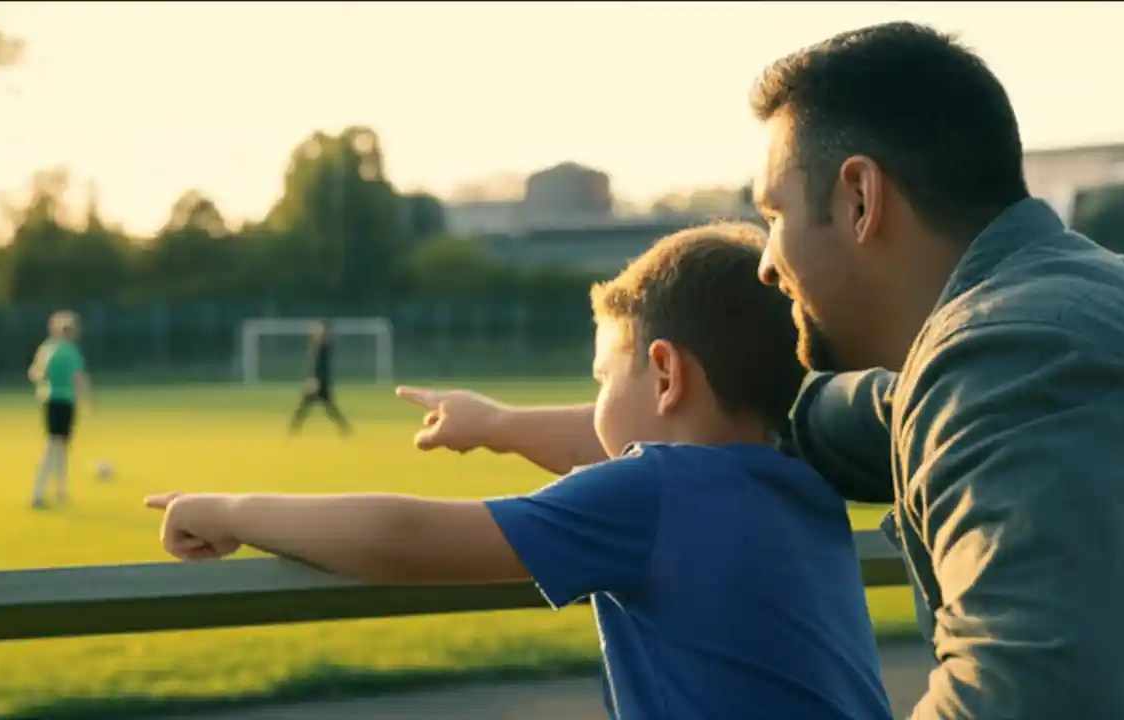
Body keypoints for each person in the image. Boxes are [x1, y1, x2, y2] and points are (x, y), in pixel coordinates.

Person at [397, 22, 1124, 720]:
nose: (766, 263)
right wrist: (500, 424)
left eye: (775, 215)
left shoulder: (1007, 359)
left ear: (859, 199)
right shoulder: (1055, 320)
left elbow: (1027, 695)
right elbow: (781, 420)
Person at [146, 224, 893, 720]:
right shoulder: (791, 476)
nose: (597, 401)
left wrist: (229, 510)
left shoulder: (654, 494)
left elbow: (404, 536)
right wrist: (498, 426)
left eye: (604, 376)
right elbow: (623, 442)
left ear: (665, 374)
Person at [28, 310, 93, 509]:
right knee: (55, 446)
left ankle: (61, 490)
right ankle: (38, 492)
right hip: (65, 401)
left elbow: (34, 373)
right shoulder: (71, 352)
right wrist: (87, 398)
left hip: (49, 399)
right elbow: (78, 378)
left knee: (61, 447)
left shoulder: (47, 349)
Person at [289, 319, 351, 435]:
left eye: (319, 329)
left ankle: (294, 430)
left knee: (320, 407)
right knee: (318, 407)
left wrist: (314, 380)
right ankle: (345, 428)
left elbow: (320, 366)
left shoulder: (323, 347)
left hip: (319, 382)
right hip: (319, 381)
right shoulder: (317, 346)